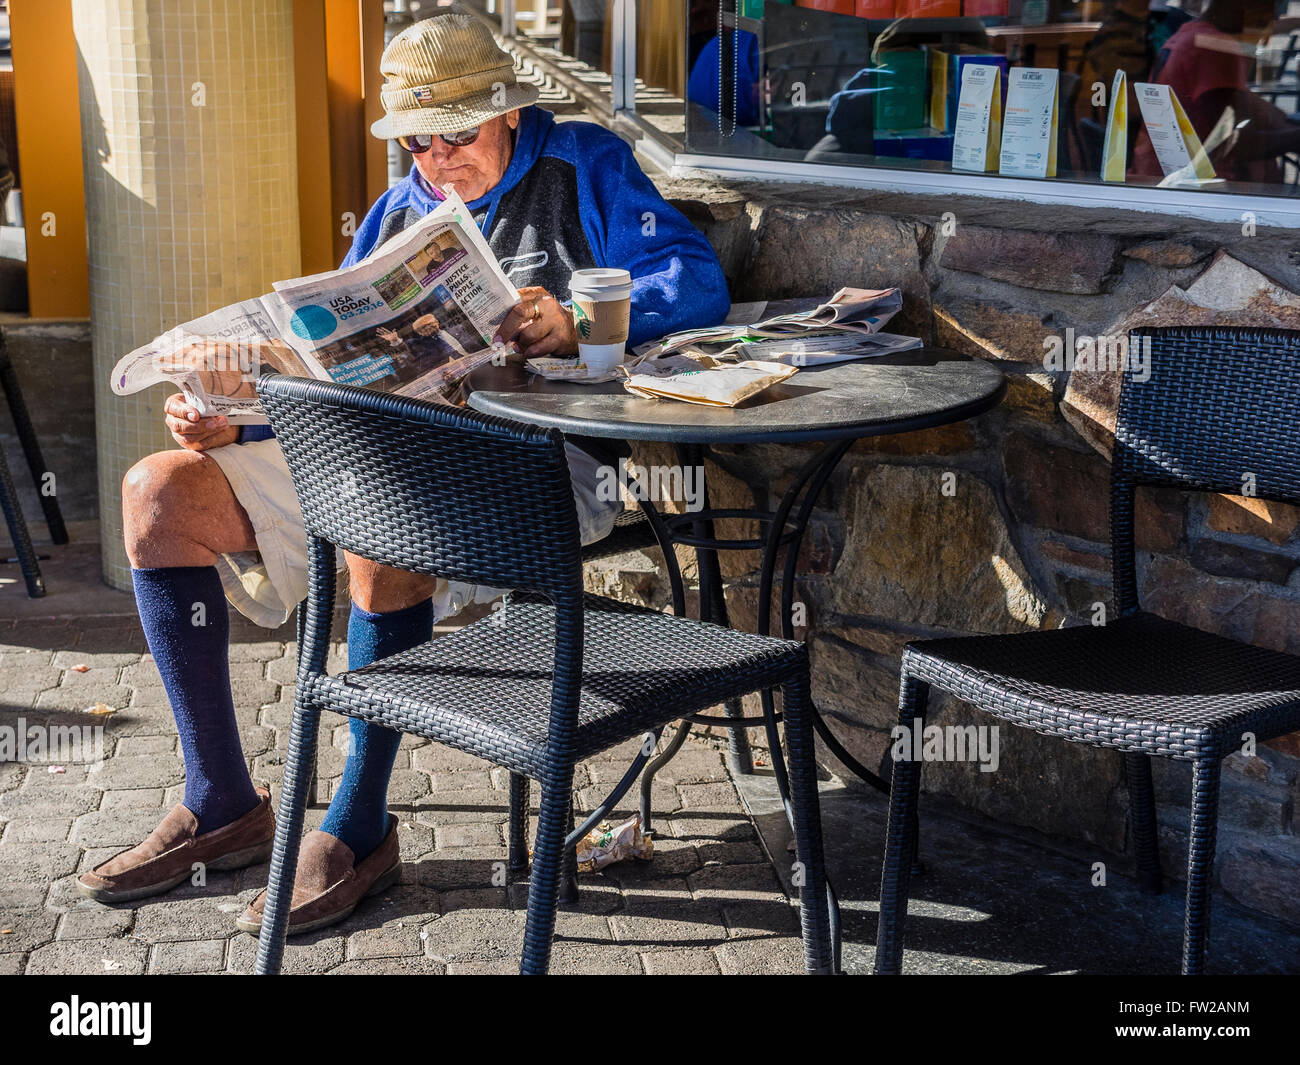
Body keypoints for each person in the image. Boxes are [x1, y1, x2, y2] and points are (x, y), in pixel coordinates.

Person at [78, 13, 730, 934]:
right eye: (416, 139)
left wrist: (579, 324)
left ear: (507, 112)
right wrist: (232, 411)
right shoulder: (398, 210)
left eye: (455, 134)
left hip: (548, 466)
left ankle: (359, 822)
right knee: (158, 495)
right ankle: (222, 797)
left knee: (382, 506)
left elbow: (696, 279)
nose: (435, 157)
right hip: (399, 452)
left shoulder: (585, 161)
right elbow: (337, 366)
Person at [1132, 0, 1300, 186]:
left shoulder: (1190, 33)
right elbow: (1233, 144)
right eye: (1268, 9)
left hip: (1155, 171)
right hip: (1194, 184)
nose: (1272, 18)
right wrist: (1294, 138)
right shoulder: (1214, 47)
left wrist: (1286, 121)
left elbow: (1239, 101)